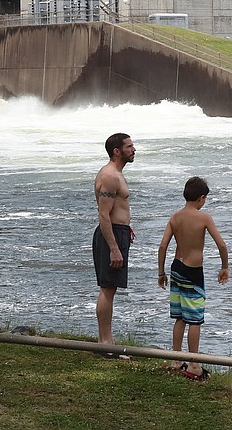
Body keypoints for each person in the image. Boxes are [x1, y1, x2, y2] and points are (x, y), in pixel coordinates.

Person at [157, 176, 229, 380]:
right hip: (193, 271)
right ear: (202, 198)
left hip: (177, 268)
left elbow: (163, 246)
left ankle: (176, 359)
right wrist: (224, 266)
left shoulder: (175, 217)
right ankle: (194, 363)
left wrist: (161, 272)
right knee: (195, 319)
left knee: (180, 316)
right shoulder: (204, 217)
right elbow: (221, 245)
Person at [93, 132, 135, 353]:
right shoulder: (110, 176)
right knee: (107, 288)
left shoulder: (115, 174)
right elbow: (103, 214)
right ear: (117, 151)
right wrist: (114, 248)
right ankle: (105, 343)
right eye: (129, 146)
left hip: (118, 233)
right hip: (112, 235)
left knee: (109, 288)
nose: (133, 149)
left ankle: (107, 340)